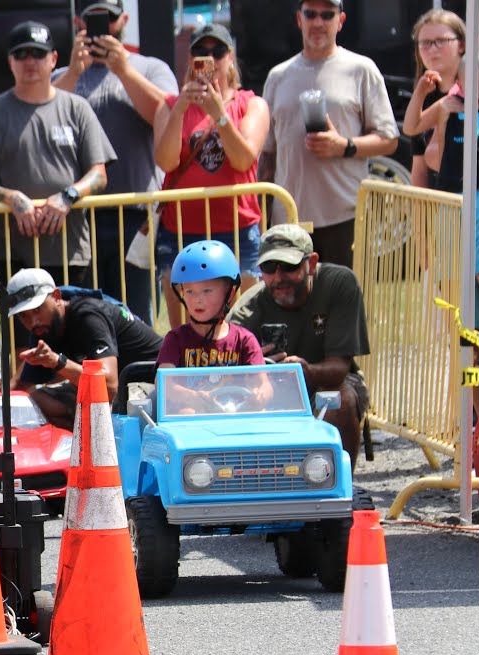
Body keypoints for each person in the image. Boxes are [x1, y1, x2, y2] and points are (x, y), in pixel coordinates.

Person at [52, 0, 177, 320]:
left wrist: (123, 70)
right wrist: (74, 72)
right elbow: (41, 118)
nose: (103, 26)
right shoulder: (63, 74)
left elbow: (167, 116)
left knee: (136, 315)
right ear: (78, 23)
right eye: (94, 19)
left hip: (135, 213)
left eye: (109, 18)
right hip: (78, 215)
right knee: (86, 315)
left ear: (124, 19)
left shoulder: (150, 68)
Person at [0, 20, 116, 287]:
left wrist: (67, 196)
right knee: (15, 318)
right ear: (10, 62)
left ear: (53, 59)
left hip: (70, 252)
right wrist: (12, 198)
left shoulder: (78, 108)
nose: (30, 61)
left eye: (38, 53)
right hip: (11, 255)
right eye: (21, 54)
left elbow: (99, 174)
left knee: (72, 316)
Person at [259, 0, 398, 269]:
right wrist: (261, 214)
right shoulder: (278, 76)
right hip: (289, 219)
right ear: (299, 19)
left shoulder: (361, 69)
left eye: (327, 15)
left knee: (341, 295)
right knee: (290, 297)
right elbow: (268, 154)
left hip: (345, 218)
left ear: (340, 21)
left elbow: (389, 139)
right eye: (311, 14)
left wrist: (344, 146)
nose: (318, 22)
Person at [153, 24, 270, 329]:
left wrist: (219, 114)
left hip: (237, 229)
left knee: (243, 324)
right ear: (190, 59)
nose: (210, 59)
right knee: (186, 329)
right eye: (201, 52)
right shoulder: (170, 105)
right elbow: (166, 161)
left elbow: (243, 159)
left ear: (230, 57)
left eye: (217, 51)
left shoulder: (251, 103)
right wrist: (181, 108)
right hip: (181, 230)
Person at [228, 224, 370, 470]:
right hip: (265, 390)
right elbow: (226, 377)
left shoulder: (338, 284)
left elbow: (339, 368)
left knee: (339, 399)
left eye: (289, 266)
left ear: (311, 263)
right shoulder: (245, 312)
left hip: (324, 382)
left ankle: (340, 483)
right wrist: (255, 367)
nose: (278, 277)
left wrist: (304, 371)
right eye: (269, 268)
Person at [7, 268, 161, 428]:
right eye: (23, 316)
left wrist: (58, 362)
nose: (33, 321)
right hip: (117, 388)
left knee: (101, 414)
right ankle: (84, 439)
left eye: (37, 309)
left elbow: (109, 387)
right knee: (37, 401)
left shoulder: (89, 316)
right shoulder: (43, 328)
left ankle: (97, 439)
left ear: (57, 297)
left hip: (150, 383)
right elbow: (21, 386)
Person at [157, 241, 264, 369]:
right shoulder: (175, 340)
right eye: (190, 291)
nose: (197, 300)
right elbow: (164, 379)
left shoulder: (244, 341)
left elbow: (261, 380)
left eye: (207, 291)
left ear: (229, 293)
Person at [404, 9, 466, 189]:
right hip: (441, 202)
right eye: (425, 43)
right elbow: (419, 171)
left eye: (441, 41)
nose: (432, 49)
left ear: (461, 45)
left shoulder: (471, 95)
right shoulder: (424, 97)